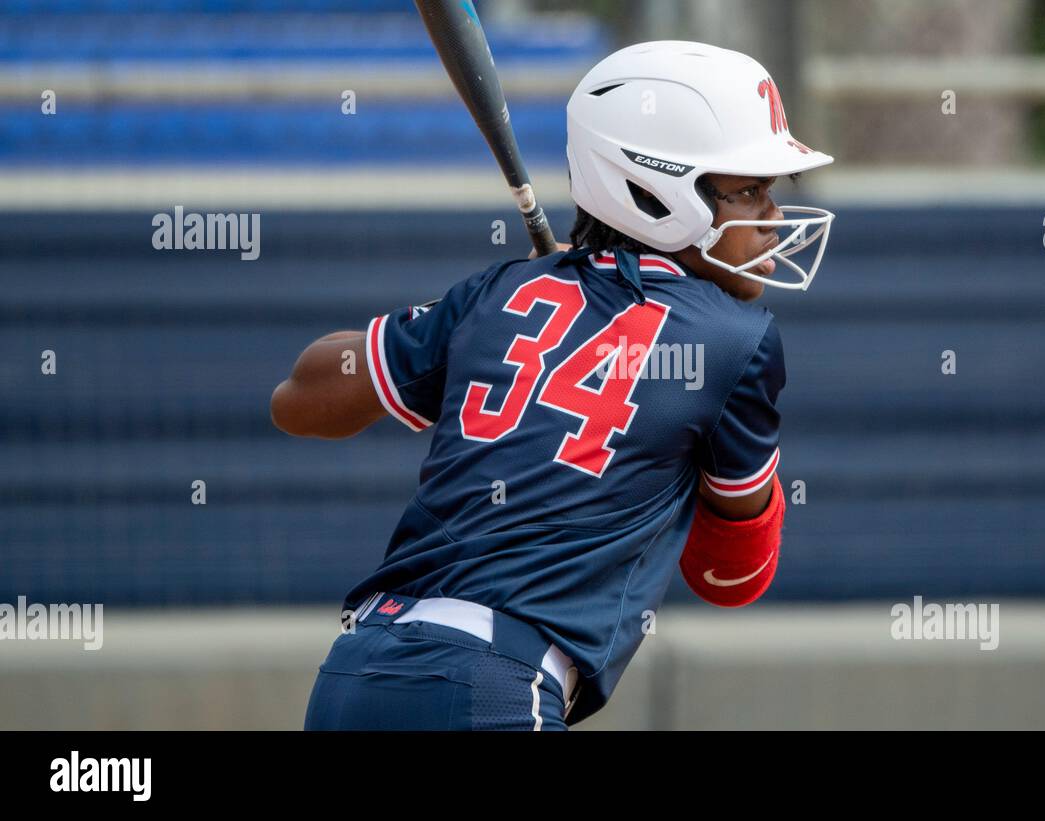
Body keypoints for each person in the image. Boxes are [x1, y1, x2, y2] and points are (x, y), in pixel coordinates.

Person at [272, 39, 834, 730]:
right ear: (657, 189)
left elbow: (298, 399)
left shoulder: (496, 295)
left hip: (354, 672)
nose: (772, 216)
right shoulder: (738, 339)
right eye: (748, 189)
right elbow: (731, 575)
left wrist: (481, 329)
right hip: (493, 684)